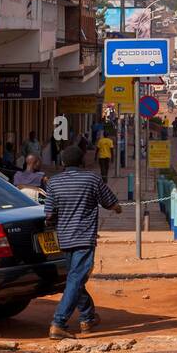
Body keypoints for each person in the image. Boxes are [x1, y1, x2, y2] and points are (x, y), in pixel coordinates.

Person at [45, 144, 122, 340]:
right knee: (75, 279)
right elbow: (111, 202)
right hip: (84, 238)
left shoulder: (53, 183)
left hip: (64, 238)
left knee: (75, 278)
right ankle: (58, 322)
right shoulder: (92, 178)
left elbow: (49, 215)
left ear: (62, 162)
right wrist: (118, 209)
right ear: (82, 161)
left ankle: (87, 316)